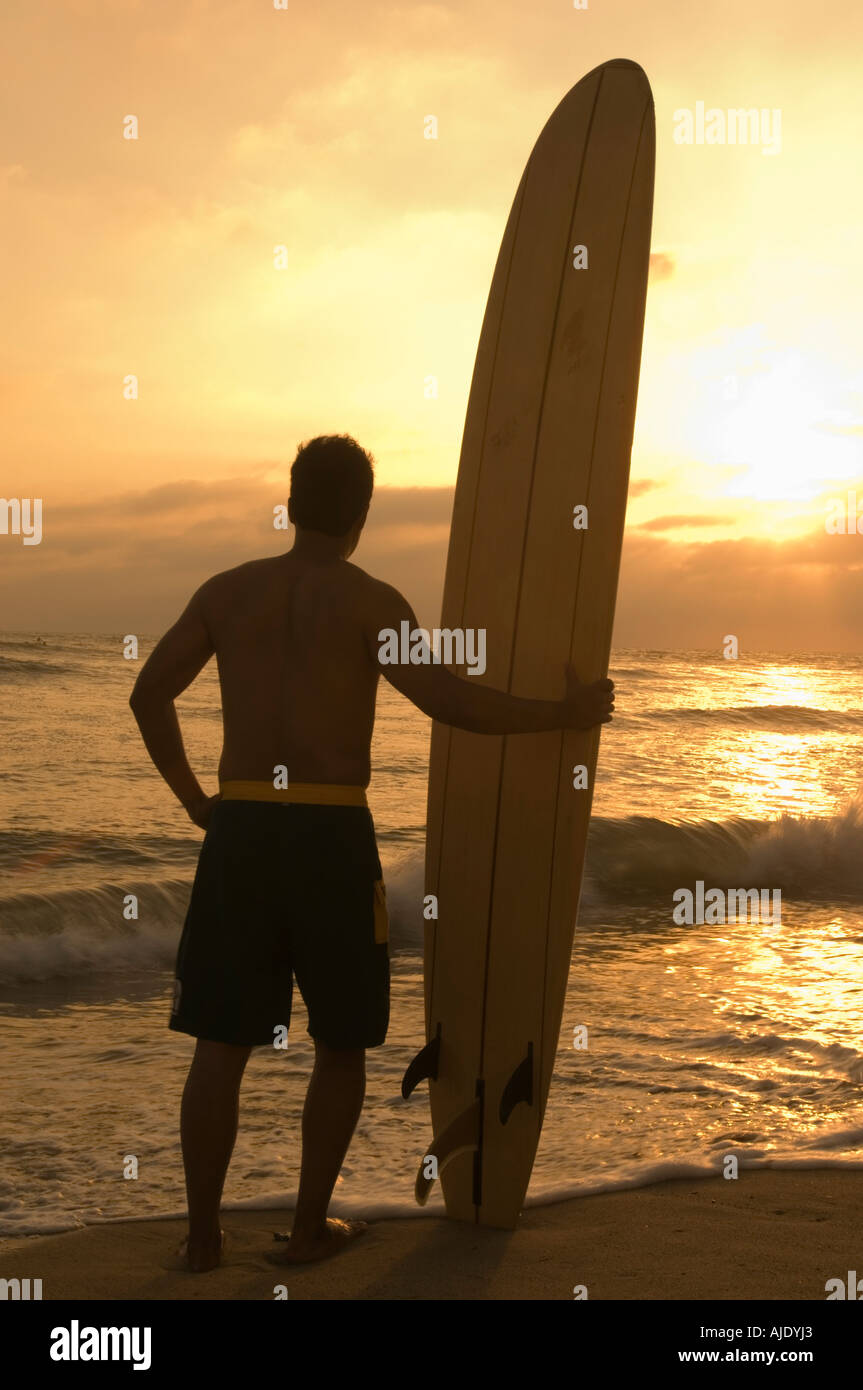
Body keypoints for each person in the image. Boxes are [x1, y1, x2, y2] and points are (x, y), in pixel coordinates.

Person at [129, 434, 614, 1271]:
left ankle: (201, 1238)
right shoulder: (372, 603)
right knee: (341, 1043)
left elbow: (148, 694)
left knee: (220, 1046)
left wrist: (196, 802)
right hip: (328, 836)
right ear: (360, 514)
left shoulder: (225, 592)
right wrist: (559, 714)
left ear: (291, 500)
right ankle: (308, 1229)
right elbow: (445, 699)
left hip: (241, 833)